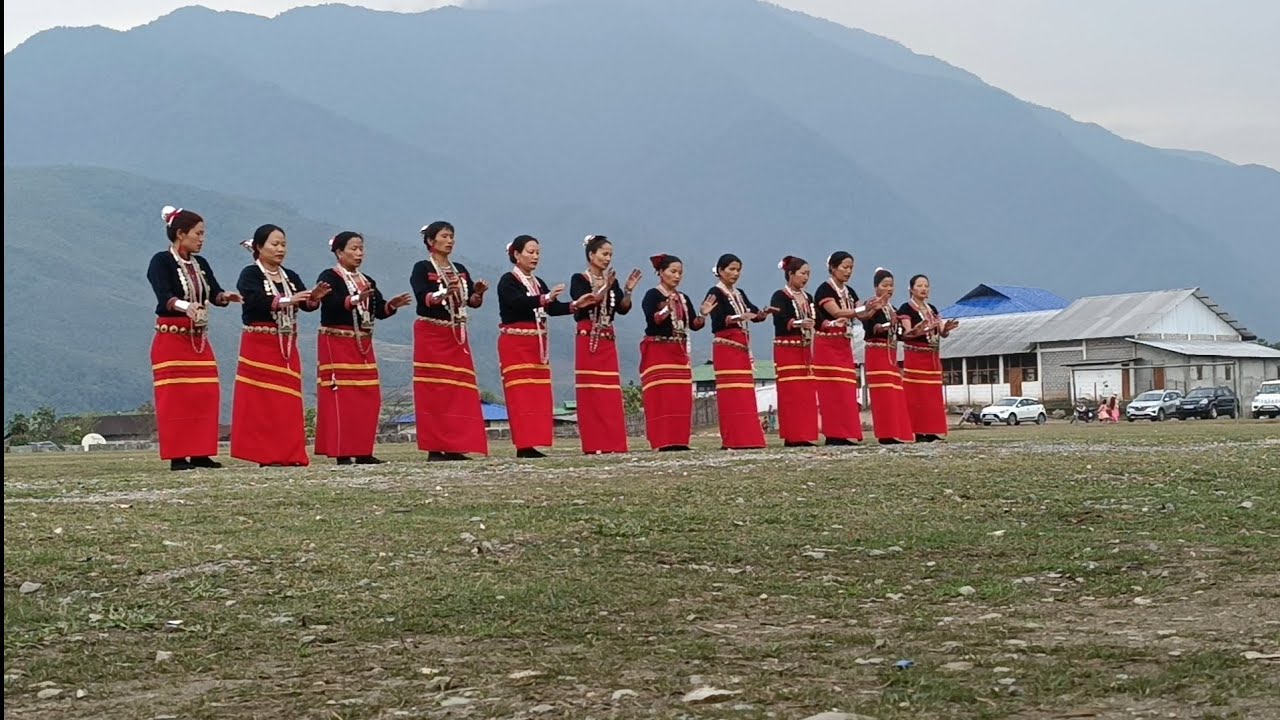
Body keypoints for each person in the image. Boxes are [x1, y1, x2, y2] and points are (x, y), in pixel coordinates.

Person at [147, 205, 241, 471]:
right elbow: (164, 296)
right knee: (176, 397)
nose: (202, 239)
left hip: (198, 340)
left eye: (203, 234)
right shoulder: (161, 261)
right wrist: (185, 306)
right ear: (181, 234)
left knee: (205, 393)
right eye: (198, 233)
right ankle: (178, 455)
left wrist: (225, 297)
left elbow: (213, 293)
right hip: (171, 338)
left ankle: (200, 452)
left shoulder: (201, 264)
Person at [231, 224, 330, 466]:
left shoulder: (290, 276)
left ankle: (290, 453)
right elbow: (254, 300)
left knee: (288, 400)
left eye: (283, 244)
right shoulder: (250, 274)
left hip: (286, 344)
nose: (280, 249)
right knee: (264, 401)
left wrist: (314, 298)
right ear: (259, 247)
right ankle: (266, 454)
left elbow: (304, 303)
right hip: (259, 344)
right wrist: (287, 300)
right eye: (274, 244)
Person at [314, 232, 412, 465]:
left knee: (368, 397)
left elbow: (378, 311)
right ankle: (342, 453)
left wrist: (392, 305)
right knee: (342, 397)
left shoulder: (367, 280)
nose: (359, 253)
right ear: (339, 252)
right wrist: (354, 300)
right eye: (354, 249)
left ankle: (363, 450)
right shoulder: (329, 276)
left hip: (362, 345)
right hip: (336, 342)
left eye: (361, 248)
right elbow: (331, 304)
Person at [497, 235, 598, 458]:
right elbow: (517, 303)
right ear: (516, 254)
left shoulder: (538, 282)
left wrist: (576, 305)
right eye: (530, 252)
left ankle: (533, 442)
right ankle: (523, 445)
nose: (535, 256)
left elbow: (551, 309)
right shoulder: (508, 281)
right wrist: (545, 298)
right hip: (516, 343)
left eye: (538, 252)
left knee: (538, 394)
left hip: (537, 345)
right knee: (520, 393)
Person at [409, 221, 490, 461]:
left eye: (452, 236)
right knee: (434, 389)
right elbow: (423, 298)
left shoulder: (460, 269)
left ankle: (456, 445)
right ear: (430, 241)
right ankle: (435, 448)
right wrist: (444, 292)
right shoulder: (422, 268)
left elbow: (471, 302)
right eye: (444, 236)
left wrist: (478, 293)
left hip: (456, 334)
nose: (450, 240)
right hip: (431, 333)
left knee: (459, 389)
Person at [570, 235, 642, 454]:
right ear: (591, 255)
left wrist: (628, 290)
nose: (608, 258)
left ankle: (614, 443)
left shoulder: (612, 281)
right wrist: (605, 287)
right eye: (604, 254)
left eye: (610, 255)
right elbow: (586, 302)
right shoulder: (579, 279)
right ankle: (594, 443)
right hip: (588, 338)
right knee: (591, 391)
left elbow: (622, 308)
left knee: (610, 392)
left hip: (607, 339)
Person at [640, 254, 716, 451]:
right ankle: (663, 441)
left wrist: (703, 314)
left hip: (679, 351)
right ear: (660, 272)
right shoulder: (652, 295)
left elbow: (694, 325)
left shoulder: (683, 298)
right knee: (662, 396)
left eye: (680, 273)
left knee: (680, 396)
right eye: (672, 271)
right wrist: (667, 309)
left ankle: (680, 440)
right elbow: (653, 320)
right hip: (659, 351)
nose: (677, 276)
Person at [812, 252, 883, 445]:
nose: (848, 271)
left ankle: (846, 432)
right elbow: (837, 312)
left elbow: (861, 315)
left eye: (851, 267)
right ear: (833, 268)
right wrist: (864, 308)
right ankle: (834, 434)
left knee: (846, 389)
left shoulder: (849, 291)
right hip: (827, 344)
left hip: (844, 343)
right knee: (833, 389)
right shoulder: (825, 289)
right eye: (845, 267)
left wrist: (873, 307)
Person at [705, 254, 773, 450]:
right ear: (720, 270)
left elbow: (753, 312)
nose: (735, 273)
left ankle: (749, 437)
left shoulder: (739, 293)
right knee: (731, 392)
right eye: (731, 269)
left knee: (744, 392)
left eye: (738, 270)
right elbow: (718, 319)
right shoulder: (715, 292)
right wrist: (738, 317)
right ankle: (733, 438)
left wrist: (762, 314)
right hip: (726, 346)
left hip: (742, 347)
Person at [899, 274, 959, 442]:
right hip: (916, 356)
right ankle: (919, 431)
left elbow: (942, 332)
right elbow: (907, 333)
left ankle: (932, 430)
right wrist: (920, 330)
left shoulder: (931, 308)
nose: (924, 289)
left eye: (926, 285)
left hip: (932, 356)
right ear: (911, 289)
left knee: (932, 396)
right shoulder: (906, 308)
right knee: (917, 394)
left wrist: (946, 329)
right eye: (919, 286)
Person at [769, 256, 820, 447]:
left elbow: (817, 319)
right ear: (790, 274)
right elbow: (779, 320)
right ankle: (793, 435)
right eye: (802, 273)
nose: (806, 277)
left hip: (805, 349)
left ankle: (805, 434)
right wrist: (798, 323)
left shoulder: (808, 298)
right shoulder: (780, 296)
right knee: (791, 392)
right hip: (787, 348)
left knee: (806, 392)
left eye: (808, 274)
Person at [862, 268, 915, 445]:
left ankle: (897, 432)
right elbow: (870, 327)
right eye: (884, 285)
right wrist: (885, 325)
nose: (888, 289)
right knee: (883, 394)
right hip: (877, 352)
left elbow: (899, 334)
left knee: (895, 393)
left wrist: (914, 332)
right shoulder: (870, 304)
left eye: (891, 285)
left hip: (891, 353)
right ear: (876, 286)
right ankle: (886, 434)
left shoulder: (893, 309)